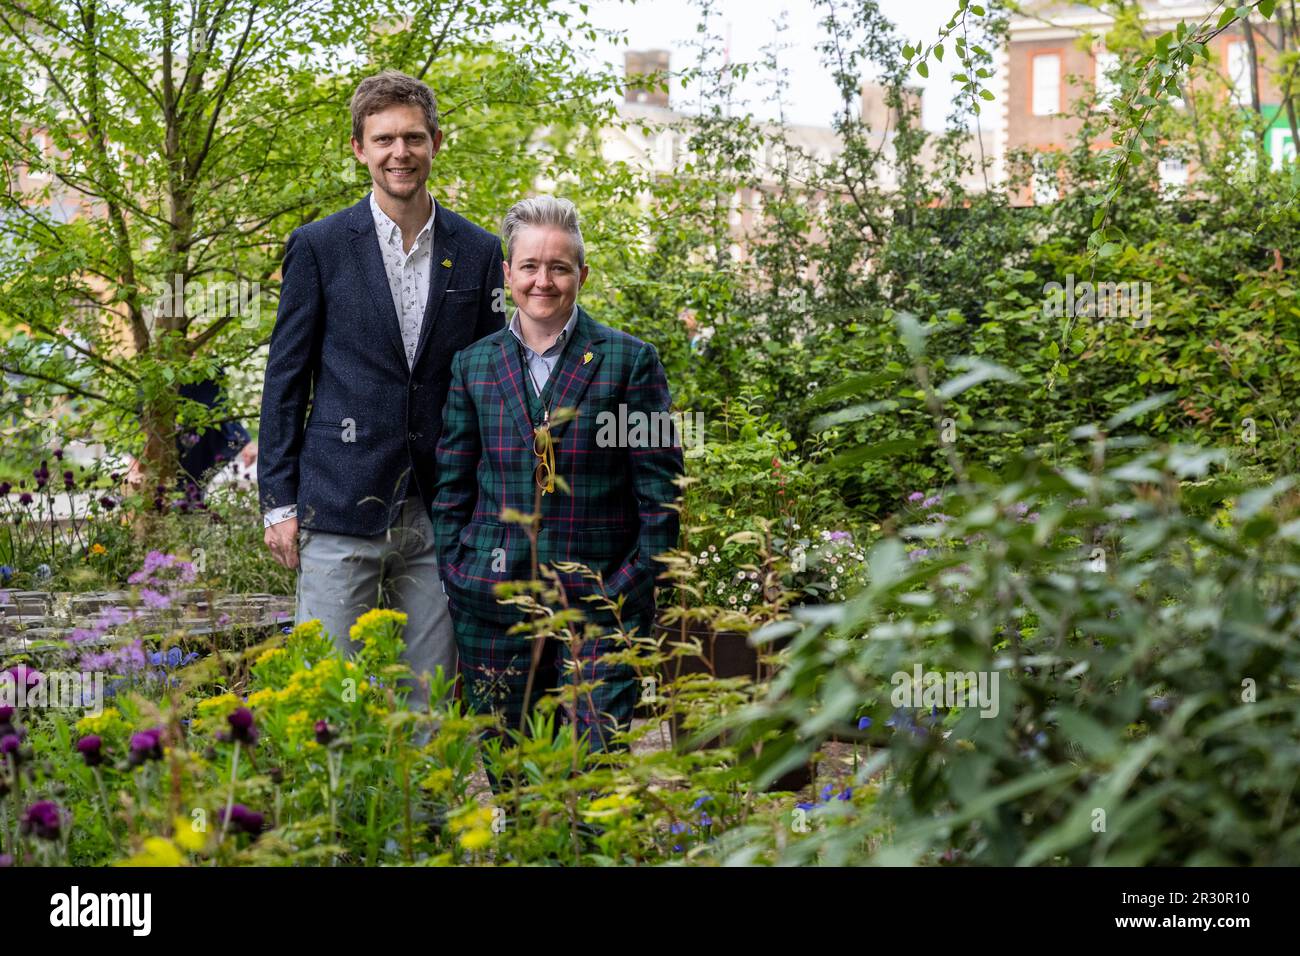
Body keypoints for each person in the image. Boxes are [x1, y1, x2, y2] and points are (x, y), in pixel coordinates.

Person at [258, 70, 504, 704]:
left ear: (436, 143)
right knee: (325, 697)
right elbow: (286, 378)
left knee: (429, 701)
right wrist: (278, 504)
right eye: (385, 139)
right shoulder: (317, 247)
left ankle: (425, 809)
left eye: (414, 138)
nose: (401, 152)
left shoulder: (480, 252)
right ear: (359, 148)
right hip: (337, 503)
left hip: (440, 510)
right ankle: (334, 808)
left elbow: (493, 382)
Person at [431, 195, 683, 756]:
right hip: (492, 602)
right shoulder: (473, 365)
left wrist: (626, 589)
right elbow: (452, 486)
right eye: (530, 266)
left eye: (559, 267)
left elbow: (661, 499)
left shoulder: (628, 362)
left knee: (593, 776)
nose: (543, 280)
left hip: (599, 607)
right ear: (508, 274)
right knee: (510, 771)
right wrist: (458, 573)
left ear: (581, 275)